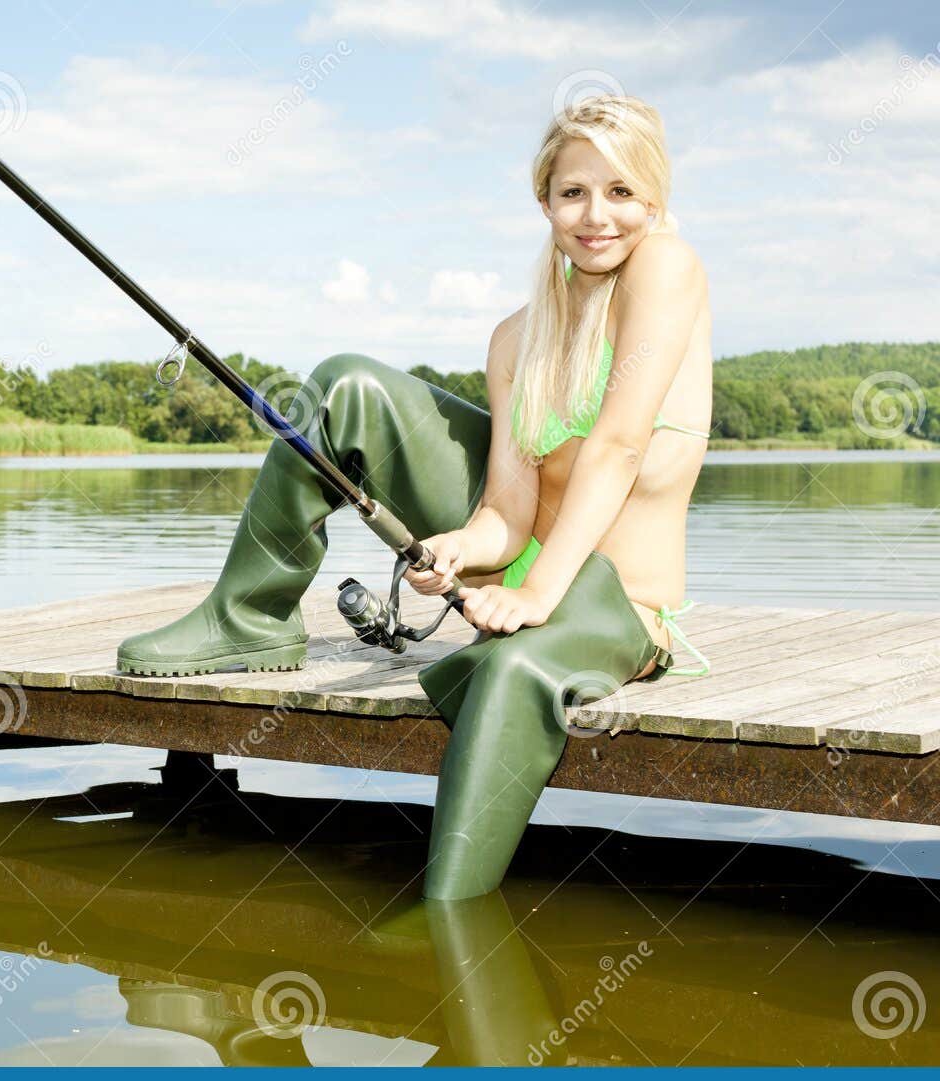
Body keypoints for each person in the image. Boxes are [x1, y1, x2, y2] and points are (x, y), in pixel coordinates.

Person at [116, 94, 713, 901]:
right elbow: (508, 506)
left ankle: (448, 918)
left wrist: (537, 592)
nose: (597, 215)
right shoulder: (516, 337)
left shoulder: (666, 268)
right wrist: (460, 550)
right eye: (574, 192)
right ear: (543, 201)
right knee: (342, 386)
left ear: (655, 198)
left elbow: (619, 444)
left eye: (622, 191)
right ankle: (248, 614)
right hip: (529, 571)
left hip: (620, 602)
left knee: (510, 675)